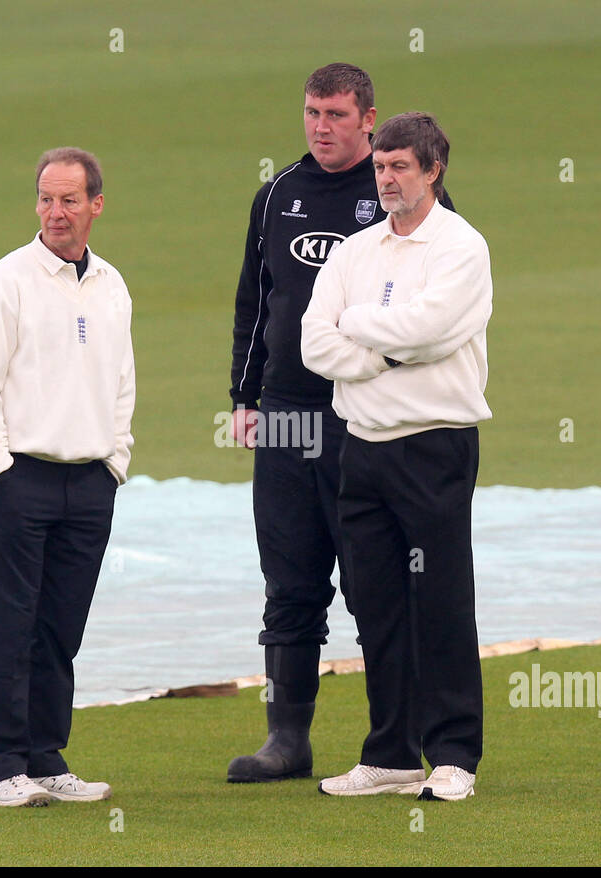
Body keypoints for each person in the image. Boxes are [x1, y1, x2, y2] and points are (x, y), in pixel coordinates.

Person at [300, 113, 491, 801]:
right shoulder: (354, 250)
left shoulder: (461, 247)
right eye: (380, 167)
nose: (386, 178)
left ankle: (454, 755)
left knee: (440, 600)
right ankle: (391, 752)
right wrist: (384, 345)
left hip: (434, 444)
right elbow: (312, 343)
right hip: (364, 449)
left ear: (432, 169)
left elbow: (432, 329)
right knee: (375, 603)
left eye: (399, 166)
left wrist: (358, 332)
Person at [0, 147, 135, 807]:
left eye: (69, 200)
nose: (56, 213)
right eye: (46, 199)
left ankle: (44, 755)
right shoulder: (3, 284)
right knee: (10, 622)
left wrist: (116, 461)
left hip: (89, 482)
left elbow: (121, 382)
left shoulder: (111, 284)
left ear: (95, 206)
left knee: (61, 626)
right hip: (18, 480)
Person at [225, 63, 381, 783]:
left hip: (362, 414)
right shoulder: (278, 194)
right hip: (286, 416)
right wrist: (244, 397)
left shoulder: (393, 195)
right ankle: (286, 740)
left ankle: (390, 741)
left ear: (368, 119)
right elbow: (254, 305)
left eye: (337, 114)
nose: (322, 127)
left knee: (376, 581)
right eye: (313, 113)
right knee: (288, 580)